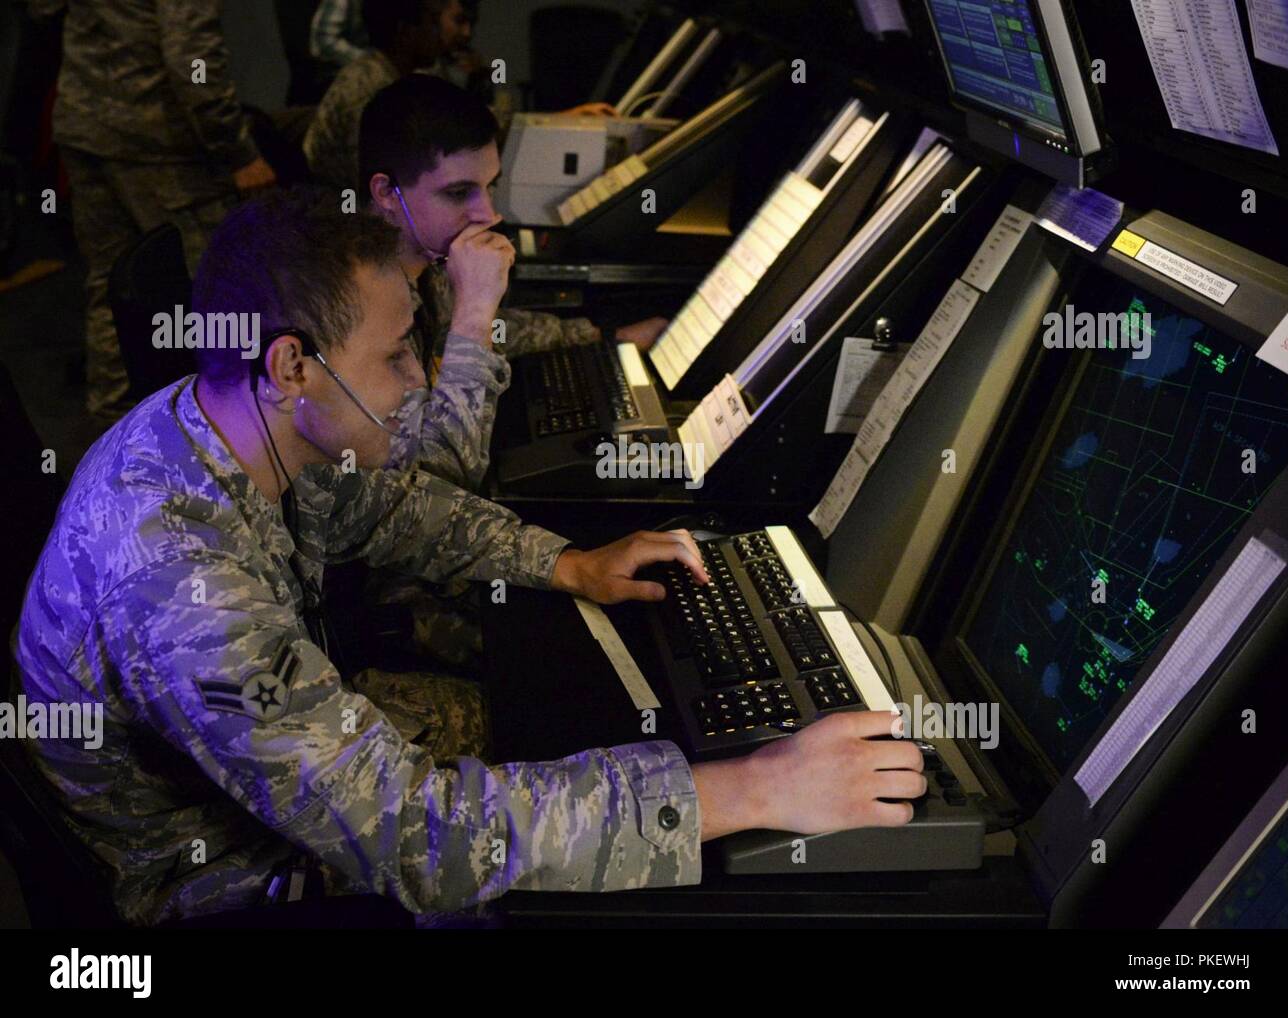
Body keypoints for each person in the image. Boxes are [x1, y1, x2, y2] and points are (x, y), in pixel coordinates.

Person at [16, 188, 925, 925]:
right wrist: (759, 788)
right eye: (396, 352)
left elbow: (390, 506)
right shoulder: (184, 589)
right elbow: (420, 840)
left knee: (564, 733)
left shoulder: (234, 412)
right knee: (579, 826)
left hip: (255, 777)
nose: (418, 378)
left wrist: (569, 564)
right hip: (214, 873)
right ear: (294, 367)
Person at [357, 74, 665, 673]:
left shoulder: (415, 263)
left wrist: (604, 338)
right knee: (618, 648)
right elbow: (444, 473)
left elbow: (503, 335)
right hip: (401, 597)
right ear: (386, 192)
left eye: (490, 186)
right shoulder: (356, 308)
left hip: (451, 549)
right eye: (459, 192)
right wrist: (475, 309)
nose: (488, 213)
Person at [51, 0, 277, 424]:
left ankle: (113, 448)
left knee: (109, 290)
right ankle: (225, 452)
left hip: (86, 123)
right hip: (158, 142)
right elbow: (190, 56)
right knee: (217, 300)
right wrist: (237, 150)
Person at [304, 0, 614, 193]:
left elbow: (469, 127)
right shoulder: (371, 88)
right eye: (442, 21)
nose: (460, 34)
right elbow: (375, 190)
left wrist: (560, 119)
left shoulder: (408, 79)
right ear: (406, 29)